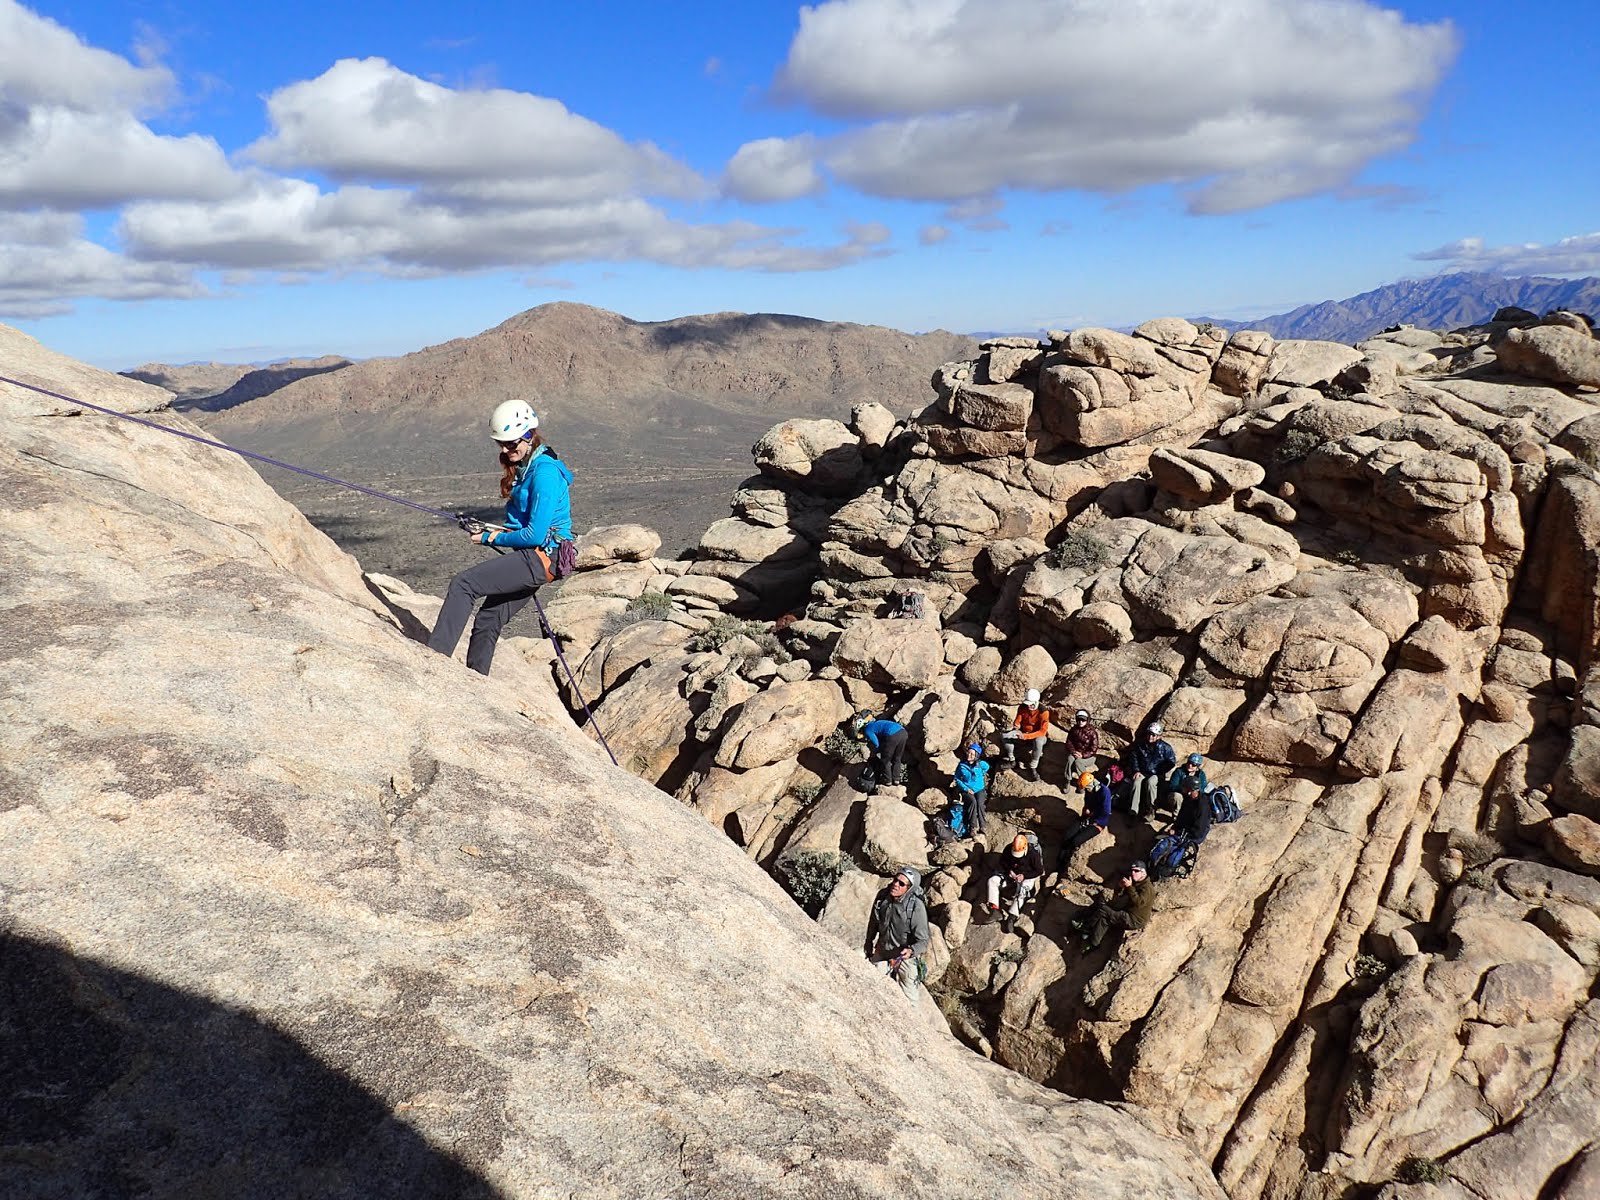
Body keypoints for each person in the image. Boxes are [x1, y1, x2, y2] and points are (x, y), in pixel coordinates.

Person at [427, 400, 573, 675]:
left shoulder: (544, 473)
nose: (506, 450)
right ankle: (476, 680)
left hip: (540, 556)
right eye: (502, 445)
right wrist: (488, 530)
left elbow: (534, 534)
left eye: (511, 443)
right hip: (542, 557)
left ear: (529, 435)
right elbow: (529, 527)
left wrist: (487, 539)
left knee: (464, 585)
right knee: (489, 618)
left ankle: (433, 659)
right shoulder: (530, 467)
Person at [864, 867, 930, 1003]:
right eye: (895, 880)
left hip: (904, 957)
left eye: (901, 883)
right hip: (883, 950)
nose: (895, 884)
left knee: (910, 996)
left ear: (909, 888)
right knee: (870, 983)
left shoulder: (916, 908)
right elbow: (873, 923)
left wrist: (912, 951)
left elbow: (923, 941)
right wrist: (869, 942)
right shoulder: (882, 897)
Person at [1072, 861, 1156, 950]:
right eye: (1132, 870)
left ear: (1143, 873)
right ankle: (1093, 943)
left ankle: (1085, 927)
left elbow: (1139, 903)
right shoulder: (1135, 881)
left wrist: (1129, 887)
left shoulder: (1147, 889)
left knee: (1103, 910)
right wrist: (1120, 887)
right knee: (1105, 917)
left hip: (1134, 919)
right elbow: (1120, 896)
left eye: (1136, 871)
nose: (1133, 873)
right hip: (1127, 911)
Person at [1055, 766, 1119, 878]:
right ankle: (1059, 862)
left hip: (1098, 822)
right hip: (1088, 817)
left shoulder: (1104, 792)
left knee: (1076, 841)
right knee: (1067, 835)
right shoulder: (1090, 790)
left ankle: (1064, 866)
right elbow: (1087, 802)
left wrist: (1094, 818)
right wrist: (1086, 810)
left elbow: (1106, 812)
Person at [985, 833, 1044, 933]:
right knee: (992, 881)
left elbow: (1039, 871)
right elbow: (1002, 862)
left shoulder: (1033, 854)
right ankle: (995, 910)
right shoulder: (1009, 849)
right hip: (1010, 876)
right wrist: (1009, 872)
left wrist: (1024, 876)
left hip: (1026, 878)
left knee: (1022, 890)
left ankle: (1012, 916)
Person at [1126, 720, 1177, 818]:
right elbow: (1134, 757)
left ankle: (1151, 810)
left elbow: (1171, 762)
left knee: (1151, 783)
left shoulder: (1165, 748)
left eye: (1153, 735)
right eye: (1149, 734)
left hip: (1156, 774)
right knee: (1136, 782)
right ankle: (1133, 811)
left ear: (1159, 736)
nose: (1150, 737)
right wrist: (1136, 770)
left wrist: (1159, 771)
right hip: (1143, 772)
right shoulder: (1140, 745)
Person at [1000, 689, 1050, 779]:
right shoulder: (1023, 707)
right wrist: (1016, 725)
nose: (1029, 706)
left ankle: (1033, 767)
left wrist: (1026, 736)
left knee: (1039, 741)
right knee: (1004, 736)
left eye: (1031, 704)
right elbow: (1018, 719)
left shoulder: (1043, 712)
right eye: (1027, 703)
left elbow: (1042, 731)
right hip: (1023, 733)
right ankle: (1012, 760)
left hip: (1036, 735)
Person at [853, 712, 909, 788]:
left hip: (892, 735)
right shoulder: (876, 723)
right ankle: (896, 779)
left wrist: (879, 752)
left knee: (885, 759)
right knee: (897, 758)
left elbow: (877, 744)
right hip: (903, 732)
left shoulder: (867, 730)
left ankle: (888, 780)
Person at [952, 742, 990, 837]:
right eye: (969, 753)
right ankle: (973, 827)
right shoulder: (962, 765)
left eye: (972, 754)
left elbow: (987, 767)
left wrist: (981, 774)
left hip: (979, 789)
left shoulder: (980, 764)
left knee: (980, 804)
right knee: (973, 802)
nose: (969, 755)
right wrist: (966, 788)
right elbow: (956, 778)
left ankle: (983, 826)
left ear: (976, 756)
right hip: (967, 790)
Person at [1171, 776, 1214, 846]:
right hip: (1187, 828)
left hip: (1194, 834)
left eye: (1184, 787)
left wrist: (1179, 832)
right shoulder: (1188, 798)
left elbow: (1199, 831)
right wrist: (1175, 827)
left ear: (1190, 790)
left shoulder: (1202, 805)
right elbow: (1181, 815)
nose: (1182, 789)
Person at [1065, 709, 1100, 779]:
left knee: (1078, 762)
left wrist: (1083, 755)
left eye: (1083, 720)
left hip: (1089, 756)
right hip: (1076, 752)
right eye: (1078, 720)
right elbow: (1069, 742)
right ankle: (1067, 779)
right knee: (1070, 759)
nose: (1080, 722)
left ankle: (1084, 783)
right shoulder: (1073, 730)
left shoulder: (1092, 733)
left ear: (1087, 720)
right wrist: (1073, 751)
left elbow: (1093, 749)